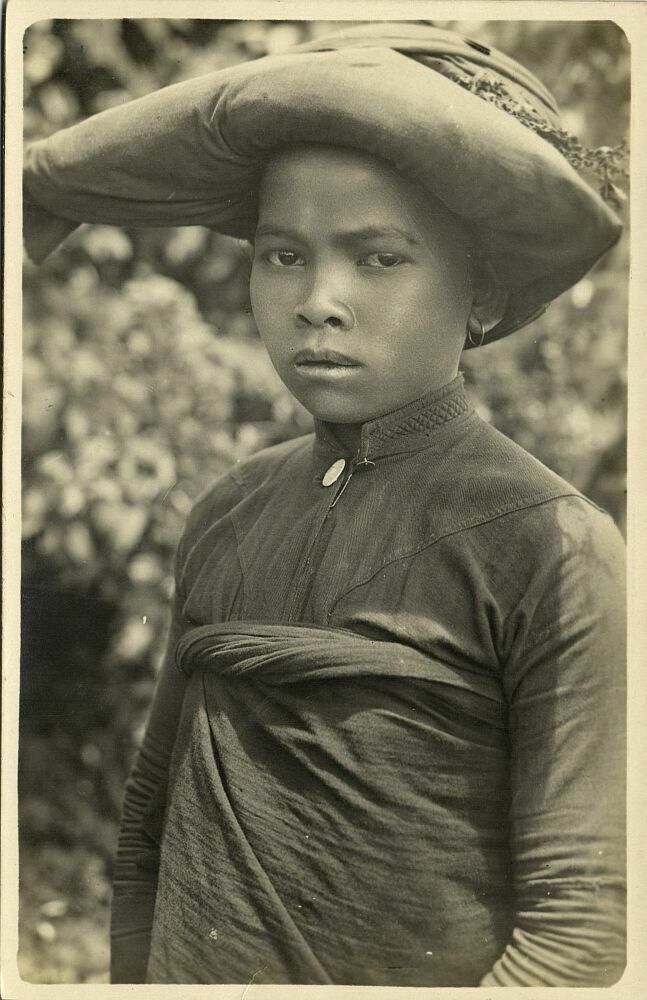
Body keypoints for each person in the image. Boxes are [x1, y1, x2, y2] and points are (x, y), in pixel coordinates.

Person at [23, 22, 626, 988]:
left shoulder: (552, 548)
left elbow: (577, 929)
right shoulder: (230, 507)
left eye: (378, 259)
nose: (318, 302)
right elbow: (151, 831)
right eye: (283, 256)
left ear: (479, 294)